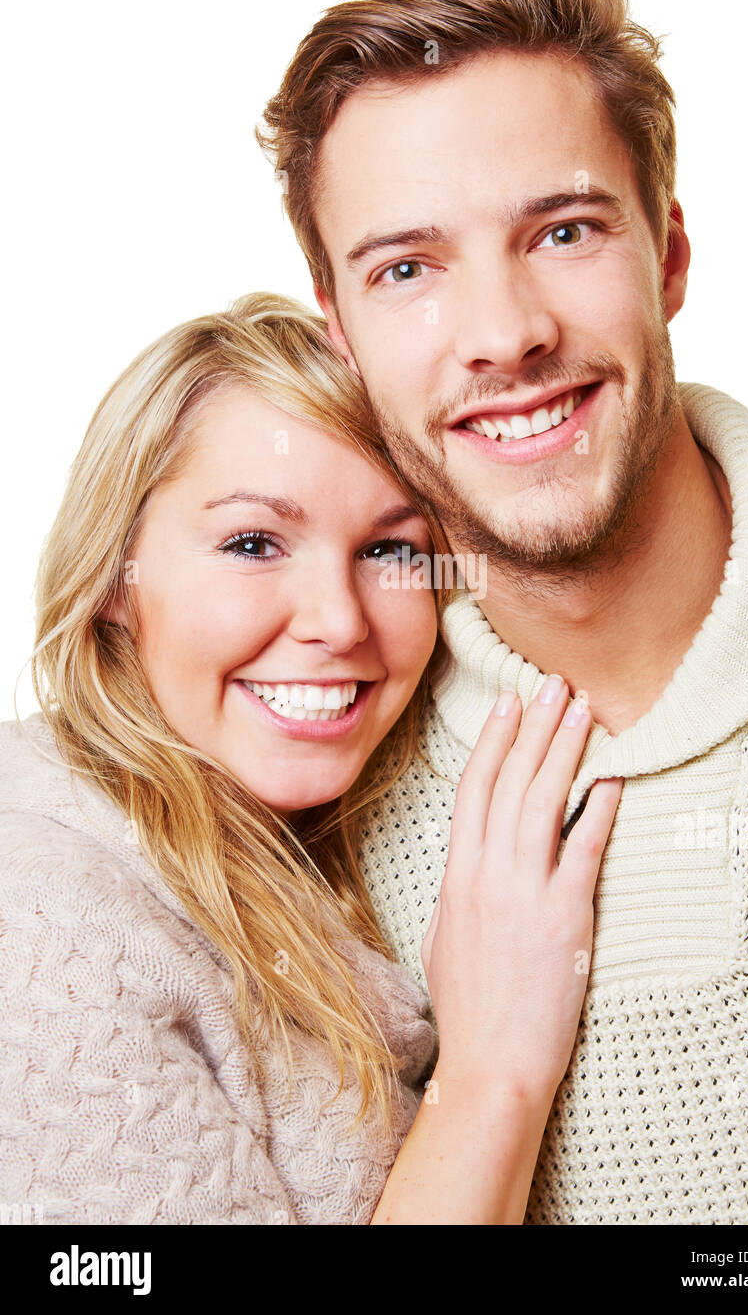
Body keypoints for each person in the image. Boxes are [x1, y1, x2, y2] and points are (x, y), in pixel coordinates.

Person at [257, 0, 748, 1223]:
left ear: (670, 253)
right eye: (406, 270)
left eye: (564, 230)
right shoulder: (313, 753)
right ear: (340, 337)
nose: (504, 332)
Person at [0, 291, 621, 1225]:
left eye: (390, 550)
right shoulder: (43, 928)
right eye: (253, 543)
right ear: (116, 581)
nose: (337, 620)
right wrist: (494, 1072)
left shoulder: (319, 839)